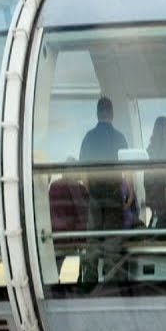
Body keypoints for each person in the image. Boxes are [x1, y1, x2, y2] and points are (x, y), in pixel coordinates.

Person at [78, 97, 130, 286]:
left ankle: (90, 281)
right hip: (114, 194)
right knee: (112, 240)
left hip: (95, 194)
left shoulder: (89, 137)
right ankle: (110, 283)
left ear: (97, 113)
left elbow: (82, 170)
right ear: (112, 113)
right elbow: (127, 168)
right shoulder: (119, 137)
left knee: (92, 239)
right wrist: (129, 193)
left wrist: (89, 189)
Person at [48, 157, 89, 280]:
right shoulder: (79, 188)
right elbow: (84, 212)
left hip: (57, 235)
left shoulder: (55, 186)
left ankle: (53, 283)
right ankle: (80, 279)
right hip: (72, 236)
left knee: (55, 266)